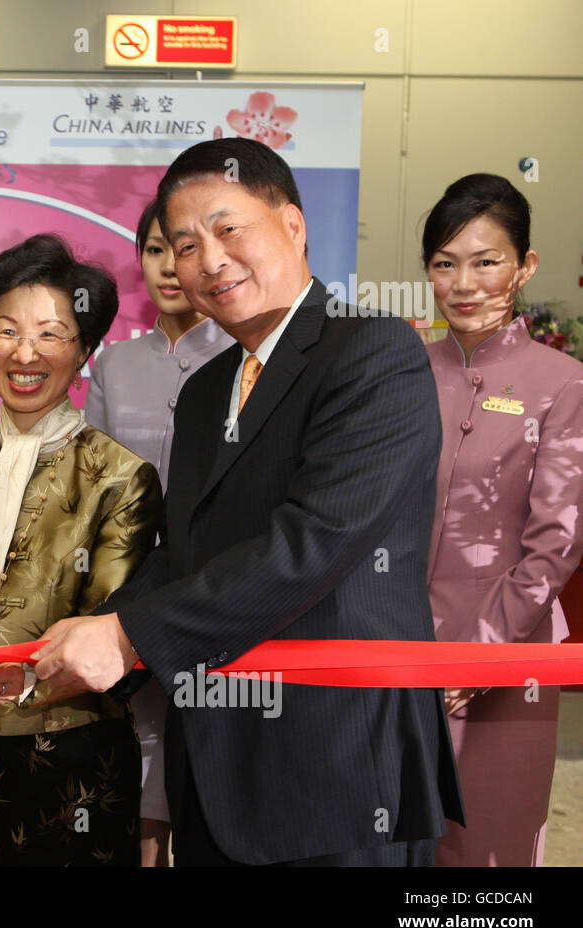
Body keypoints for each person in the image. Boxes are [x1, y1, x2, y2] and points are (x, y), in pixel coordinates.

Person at [34, 137, 464, 866]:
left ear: (293, 226)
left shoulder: (372, 352)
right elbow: (185, 550)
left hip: (338, 762)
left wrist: (127, 637)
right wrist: (87, 627)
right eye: (183, 245)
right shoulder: (205, 391)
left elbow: (314, 543)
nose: (207, 260)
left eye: (229, 229)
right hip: (215, 757)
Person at [0, 234, 159, 866]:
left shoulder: (120, 476)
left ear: (84, 349)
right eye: (5, 331)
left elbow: (111, 621)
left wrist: (23, 674)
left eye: (51, 334)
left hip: (75, 752)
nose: (25, 353)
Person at [422, 174, 583, 867]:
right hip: (397, 654)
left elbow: (558, 542)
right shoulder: (400, 374)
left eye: (487, 261)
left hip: (510, 661)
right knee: (402, 847)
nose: (466, 283)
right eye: (444, 263)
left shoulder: (562, 382)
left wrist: (481, 651)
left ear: (525, 266)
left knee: (491, 853)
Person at [85, 198, 230, 866]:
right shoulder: (113, 366)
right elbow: (97, 490)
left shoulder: (244, 358)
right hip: (134, 590)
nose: (171, 267)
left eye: (184, 248)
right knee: (141, 757)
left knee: (208, 760)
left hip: (220, 592)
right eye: (154, 250)